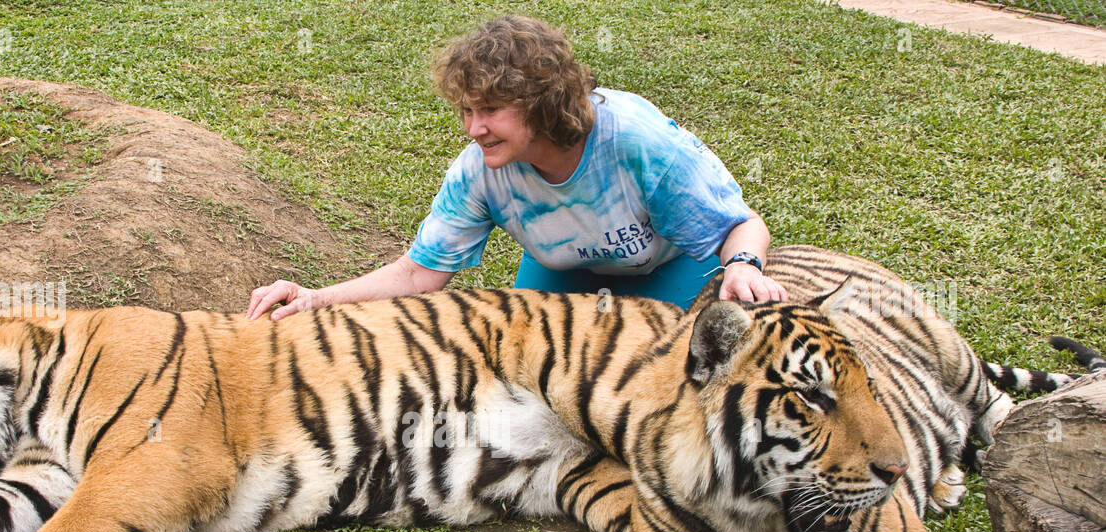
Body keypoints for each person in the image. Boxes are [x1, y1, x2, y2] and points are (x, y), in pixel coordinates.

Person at [246, 15, 786, 322]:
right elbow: (419, 273)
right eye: (466, 110)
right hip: (566, 273)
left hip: (669, 269)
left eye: (490, 110)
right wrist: (315, 298)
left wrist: (742, 266)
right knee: (523, 368)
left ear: (542, 102)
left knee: (670, 366)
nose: (474, 129)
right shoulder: (478, 171)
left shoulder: (636, 142)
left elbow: (743, 224)